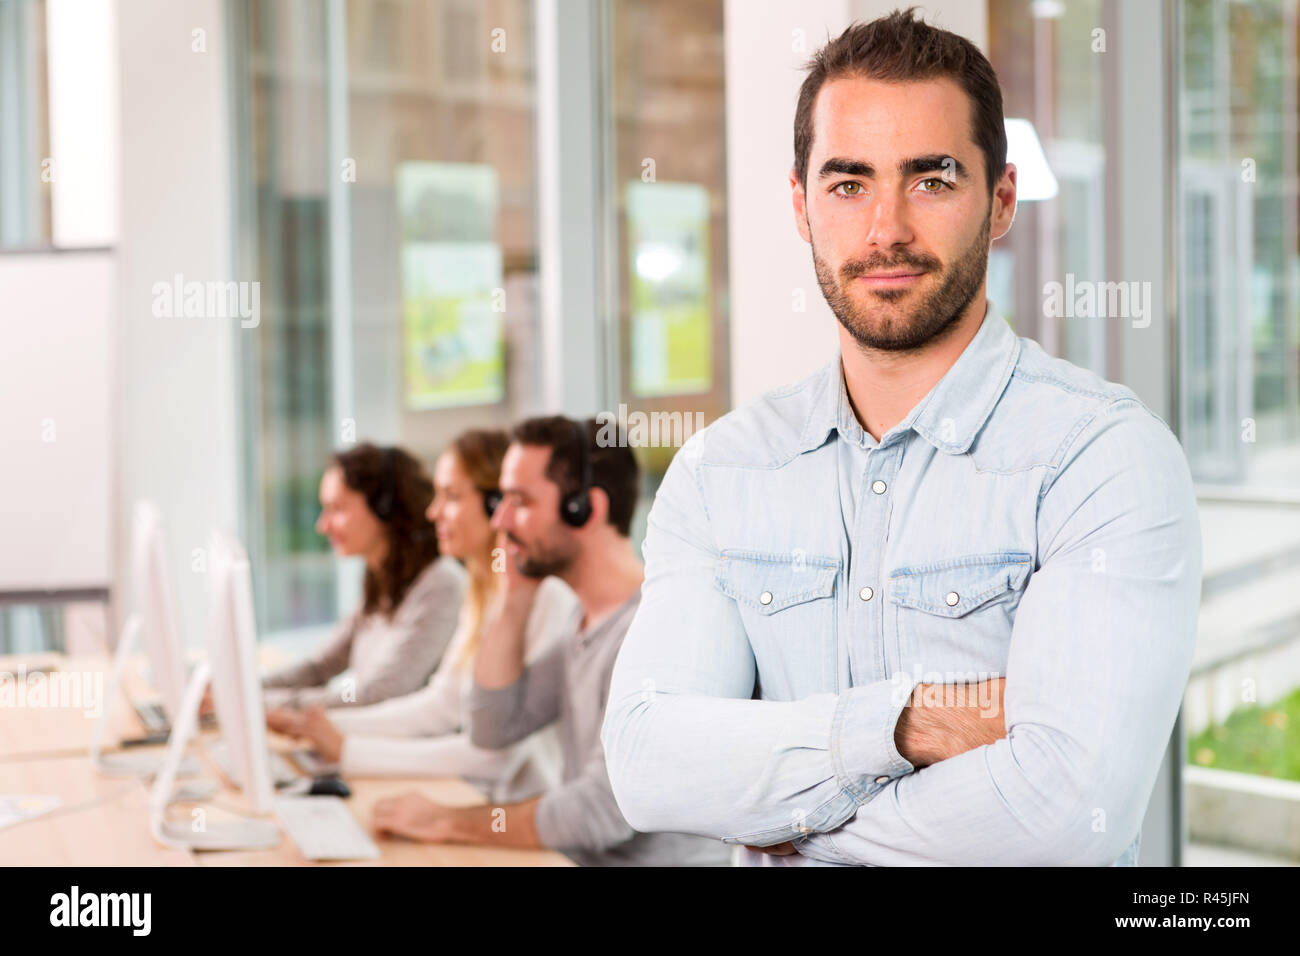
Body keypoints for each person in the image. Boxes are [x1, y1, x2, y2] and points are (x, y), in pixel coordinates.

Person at [601, 9, 1202, 866]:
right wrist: (904, 725)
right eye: (848, 184)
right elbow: (648, 765)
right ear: (802, 206)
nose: (885, 229)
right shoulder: (721, 472)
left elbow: (1066, 811)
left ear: (1000, 201)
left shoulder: (1102, 460)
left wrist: (789, 820)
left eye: (932, 180)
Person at [370, 416, 732, 866]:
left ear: (584, 508)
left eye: (519, 502)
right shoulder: (584, 622)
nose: (500, 520)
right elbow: (493, 726)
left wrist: (446, 822)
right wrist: (514, 600)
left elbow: (602, 811)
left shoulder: (658, 630)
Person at [266, 429, 577, 805]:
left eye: (451, 497)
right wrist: (321, 729)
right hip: (481, 799)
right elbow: (441, 704)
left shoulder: (543, 599)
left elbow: (496, 756)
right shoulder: (483, 592)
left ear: (497, 504)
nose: (434, 512)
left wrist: (348, 749)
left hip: (519, 816)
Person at [260, 442, 466, 710]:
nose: (323, 526)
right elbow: (320, 667)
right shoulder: (380, 581)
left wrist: (259, 703)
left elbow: (378, 695)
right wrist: (245, 690)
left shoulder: (441, 585)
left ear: (385, 507)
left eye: (338, 508)